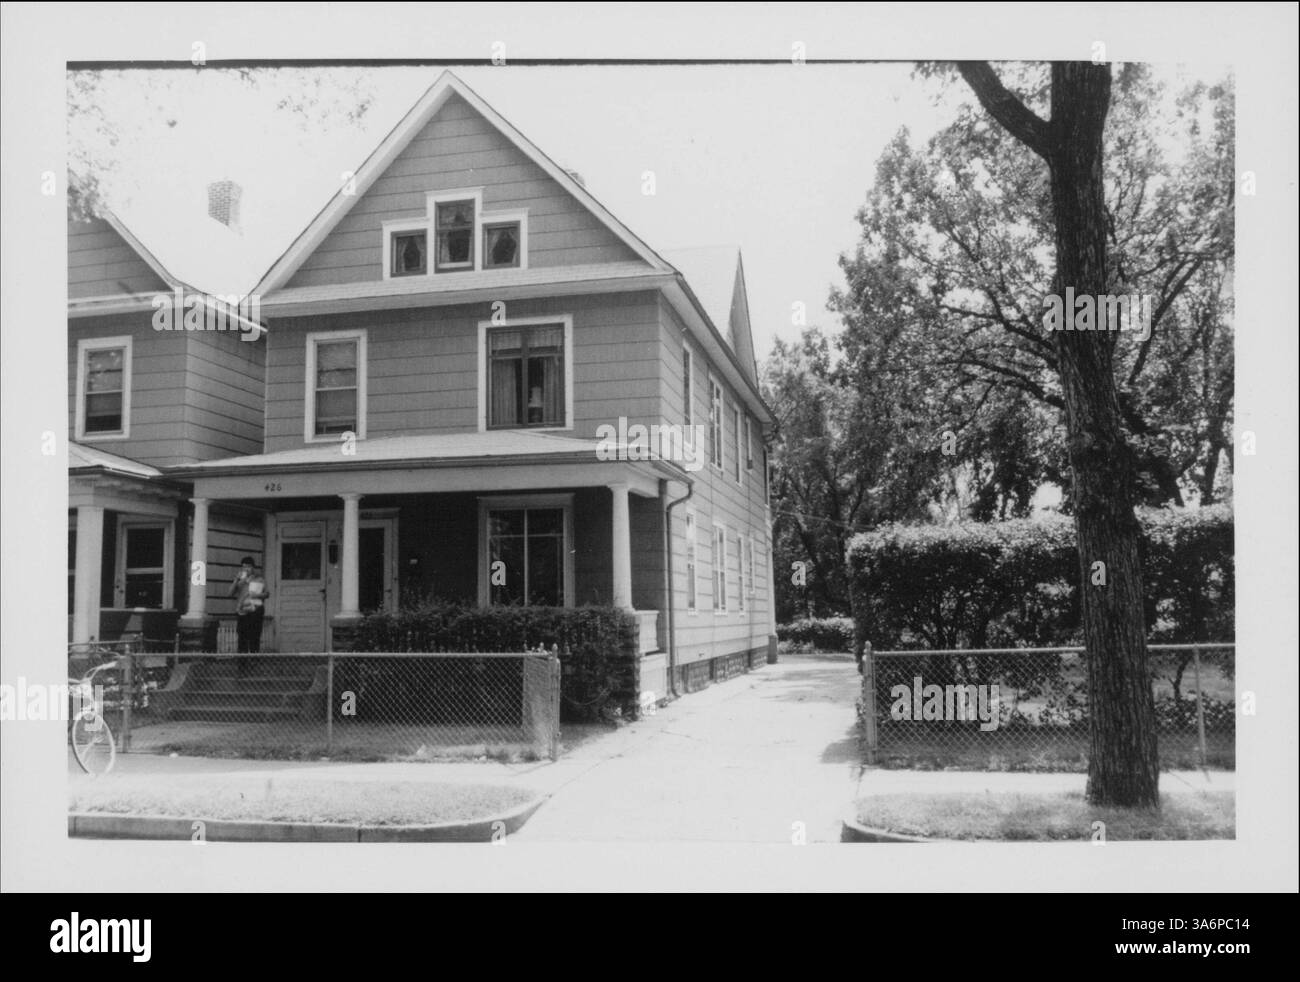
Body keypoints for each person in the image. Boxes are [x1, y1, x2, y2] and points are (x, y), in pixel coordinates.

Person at [229, 556, 270, 669]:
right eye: (243, 567)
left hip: (256, 610)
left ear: (253, 567)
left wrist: (257, 595)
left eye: (248, 566)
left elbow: (267, 594)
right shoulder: (240, 581)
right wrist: (237, 580)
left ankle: (254, 661)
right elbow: (230, 593)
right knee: (242, 636)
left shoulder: (259, 579)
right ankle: (242, 663)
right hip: (243, 610)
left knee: (254, 635)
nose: (246, 569)